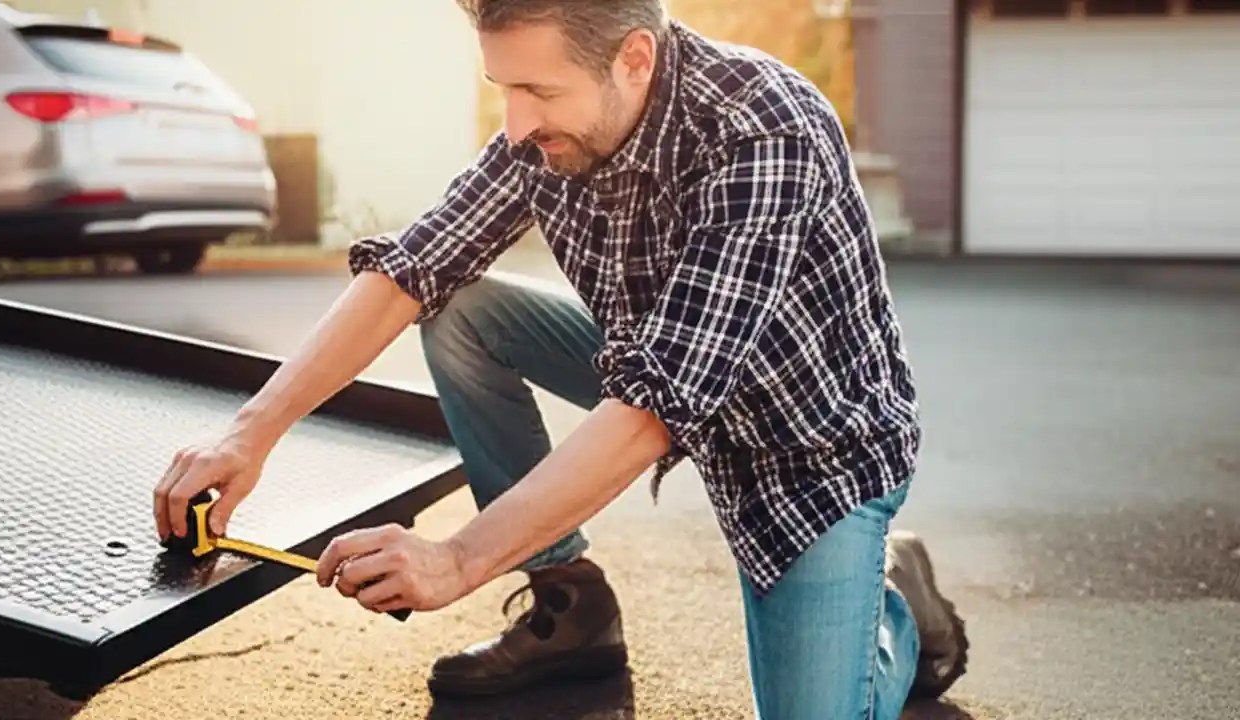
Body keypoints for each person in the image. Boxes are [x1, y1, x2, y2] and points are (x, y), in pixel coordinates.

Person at [152, 1, 969, 716]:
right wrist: (249, 434)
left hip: (809, 445)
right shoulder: (543, 131)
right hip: (657, 371)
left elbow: (658, 406)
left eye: (538, 91)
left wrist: (457, 560)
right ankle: (568, 604)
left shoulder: (765, 131)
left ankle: (891, 608)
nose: (514, 124)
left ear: (634, 59)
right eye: (503, 89)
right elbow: (412, 267)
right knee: (462, 308)